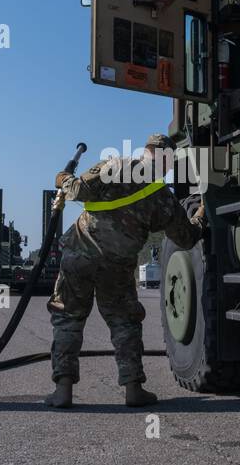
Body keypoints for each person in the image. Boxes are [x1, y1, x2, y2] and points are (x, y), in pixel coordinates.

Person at [46, 134, 207, 409]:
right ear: (166, 160)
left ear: (146, 151)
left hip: (80, 255)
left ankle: (63, 392)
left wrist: (62, 179)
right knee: (124, 323)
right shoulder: (162, 197)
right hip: (117, 266)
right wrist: (202, 212)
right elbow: (187, 237)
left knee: (68, 319)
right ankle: (133, 389)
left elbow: (76, 191)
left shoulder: (113, 167)